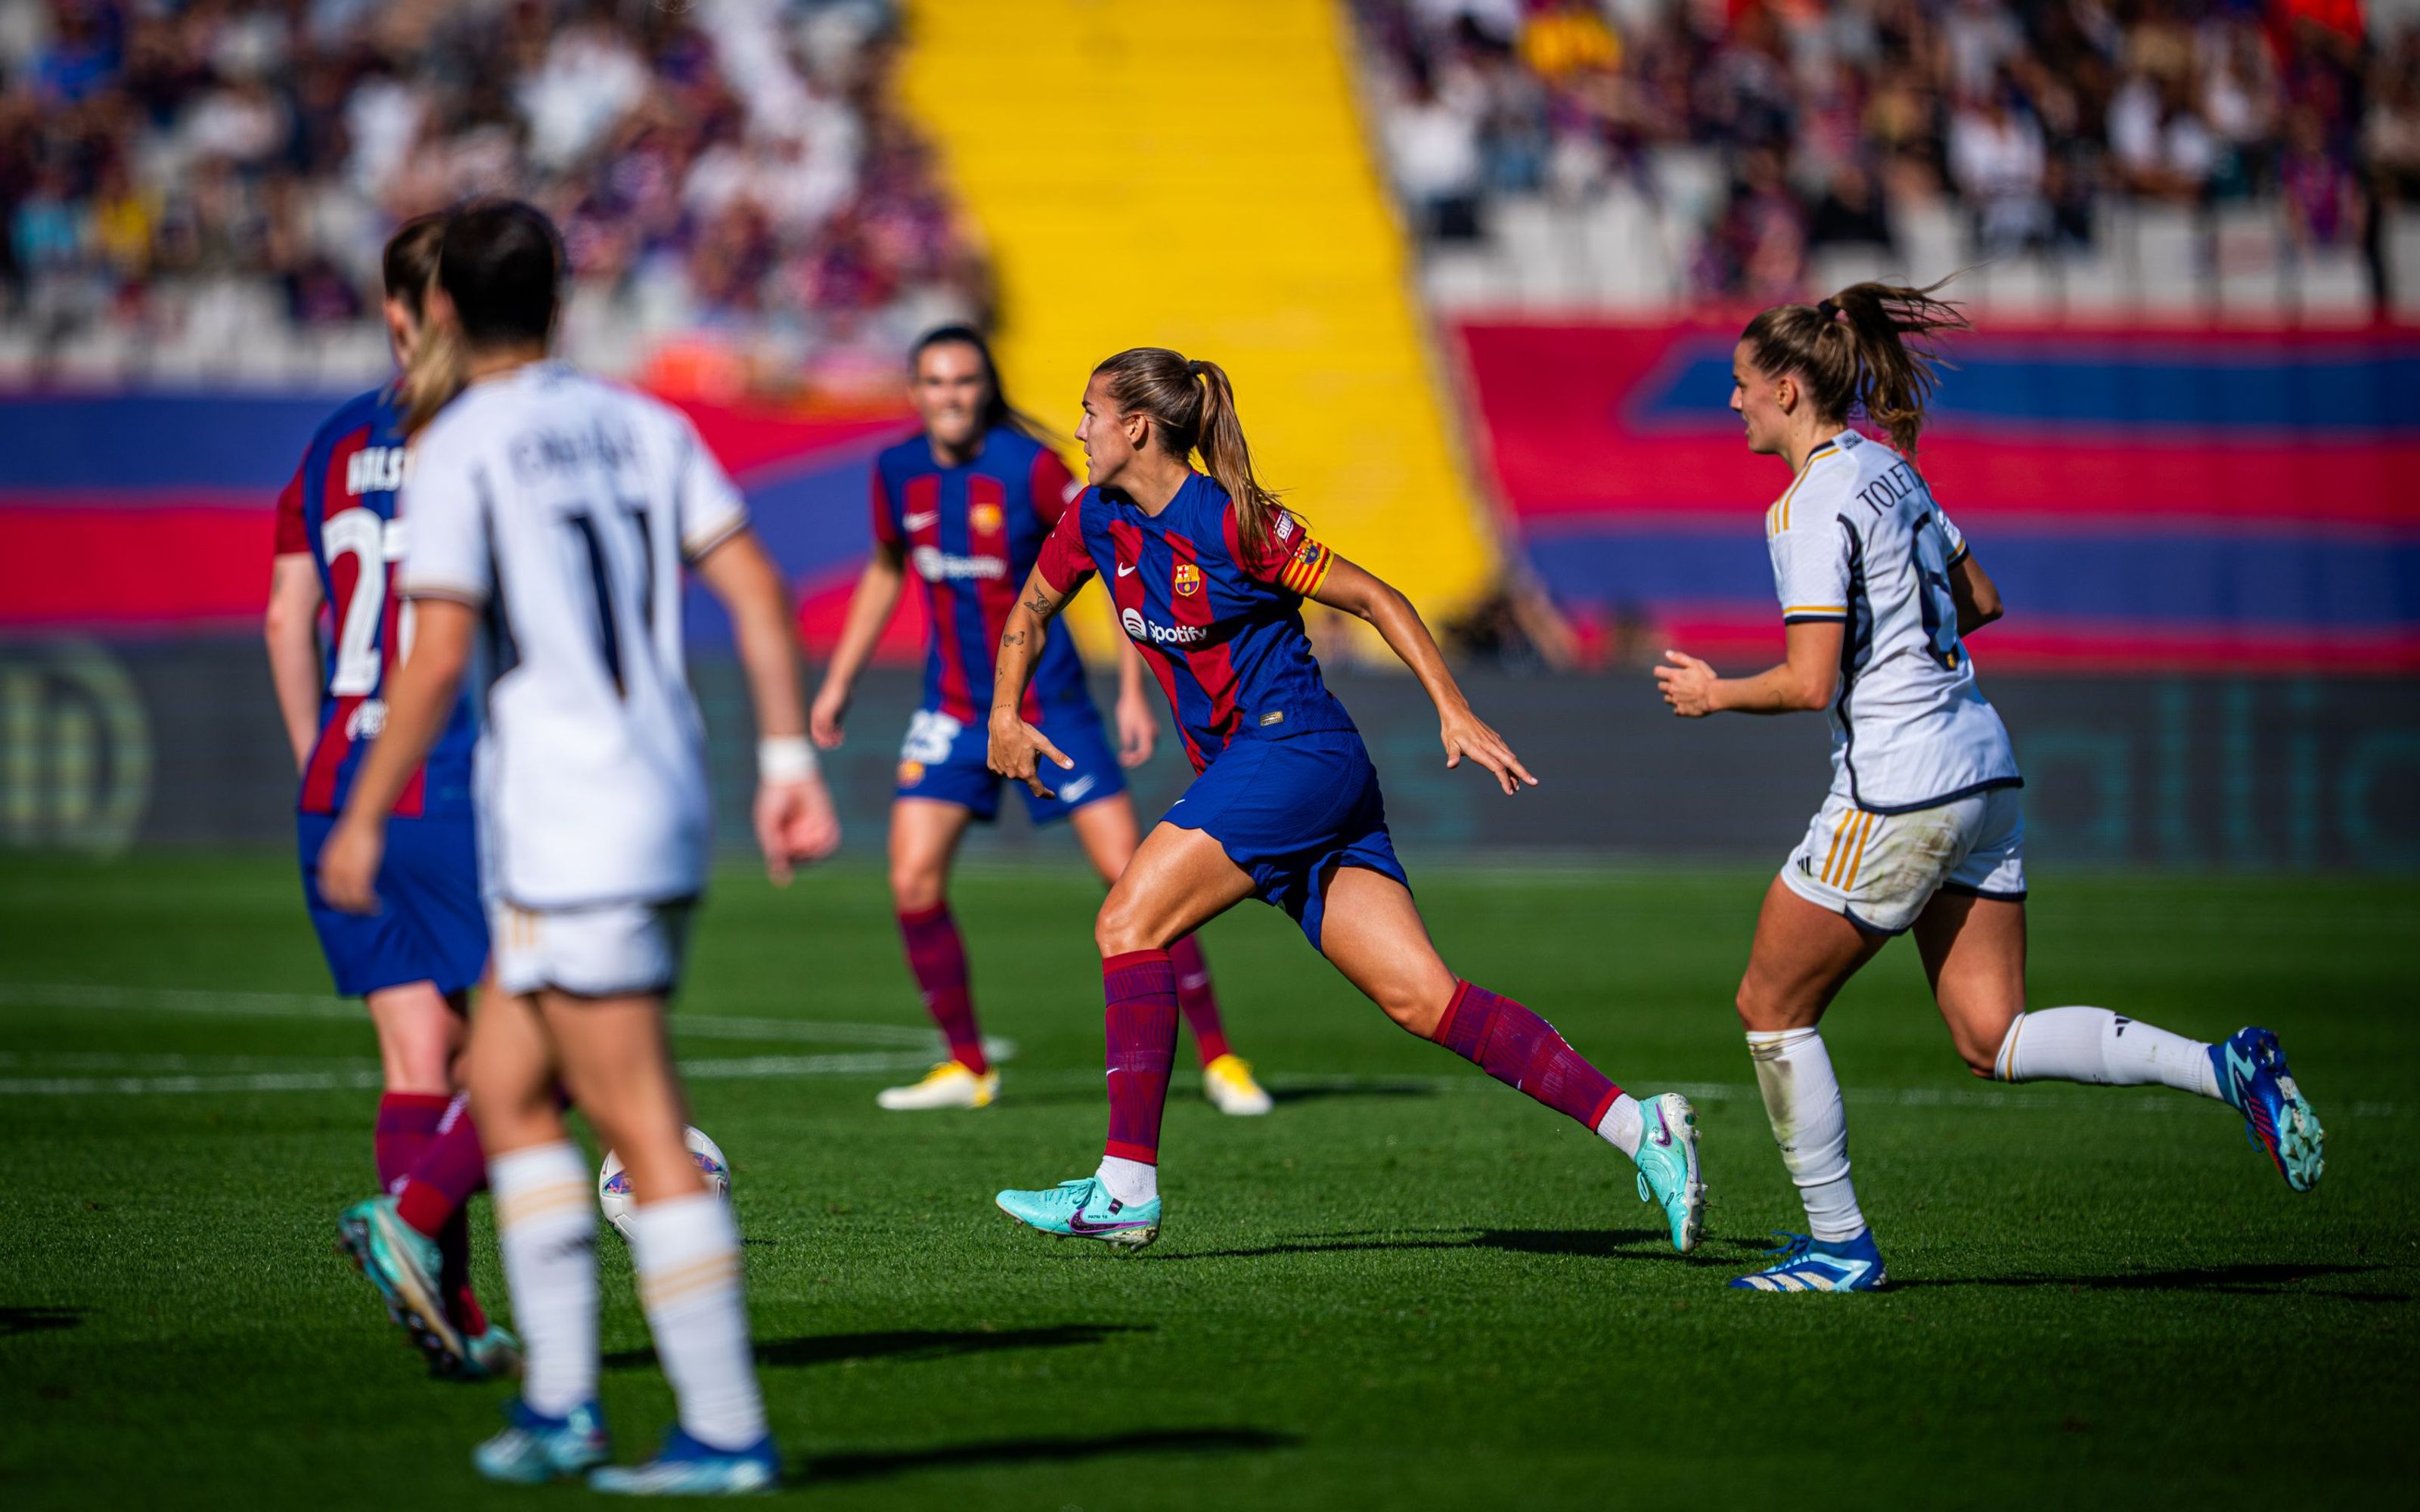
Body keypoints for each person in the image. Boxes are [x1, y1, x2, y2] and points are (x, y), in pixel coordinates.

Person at [1655, 281, 2324, 1294]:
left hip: (1901, 788)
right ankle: (2225, 1067)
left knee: (1771, 1005)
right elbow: (1984, 600)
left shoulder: (1805, 504)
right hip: (1985, 767)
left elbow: (1808, 682)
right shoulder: (1889, 470)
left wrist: (1712, 696)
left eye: (1743, 387)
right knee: (1990, 1035)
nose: (1734, 404)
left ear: (1789, 390)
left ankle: (1840, 1245)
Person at [318, 200, 841, 1493]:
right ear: (560, 298)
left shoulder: (464, 444)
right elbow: (758, 587)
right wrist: (784, 764)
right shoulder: (645, 422)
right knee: (505, 1090)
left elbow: (436, 656)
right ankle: (561, 1407)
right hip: (653, 793)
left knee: (640, 1120)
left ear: (439, 309)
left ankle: (724, 1428)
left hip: (570, 814)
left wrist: (365, 808)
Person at [985, 347, 1705, 1252]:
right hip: (1270, 777)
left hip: (1296, 750)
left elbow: (1374, 595)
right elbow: (1030, 610)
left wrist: (1453, 708)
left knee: (1127, 921)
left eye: (1089, 410)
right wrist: (1003, 714)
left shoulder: (1233, 522)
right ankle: (1643, 1129)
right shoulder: (1095, 518)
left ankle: (1123, 1186)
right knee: (1423, 999)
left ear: (1137, 426)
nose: (1079, 426)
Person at [811, 327, 1270, 1115]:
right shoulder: (896, 472)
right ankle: (966, 1065)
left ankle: (1221, 1057)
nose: (947, 395)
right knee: (911, 877)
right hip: (953, 705)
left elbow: (1124, 555)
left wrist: (1130, 687)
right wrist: (839, 679)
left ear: (983, 388)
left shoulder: (1029, 469)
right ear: (915, 391)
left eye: (962, 381)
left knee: (1134, 877)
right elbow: (887, 568)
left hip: (1052, 706)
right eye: (932, 381)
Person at [265, 212, 512, 1380]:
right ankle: (412, 1222)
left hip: (339, 784)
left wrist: (332, 760)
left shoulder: (328, 441)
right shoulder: (485, 429)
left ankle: (450, 1318)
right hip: (452, 778)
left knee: (422, 1054)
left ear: (391, 312)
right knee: (548, 1035)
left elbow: (284, 614)